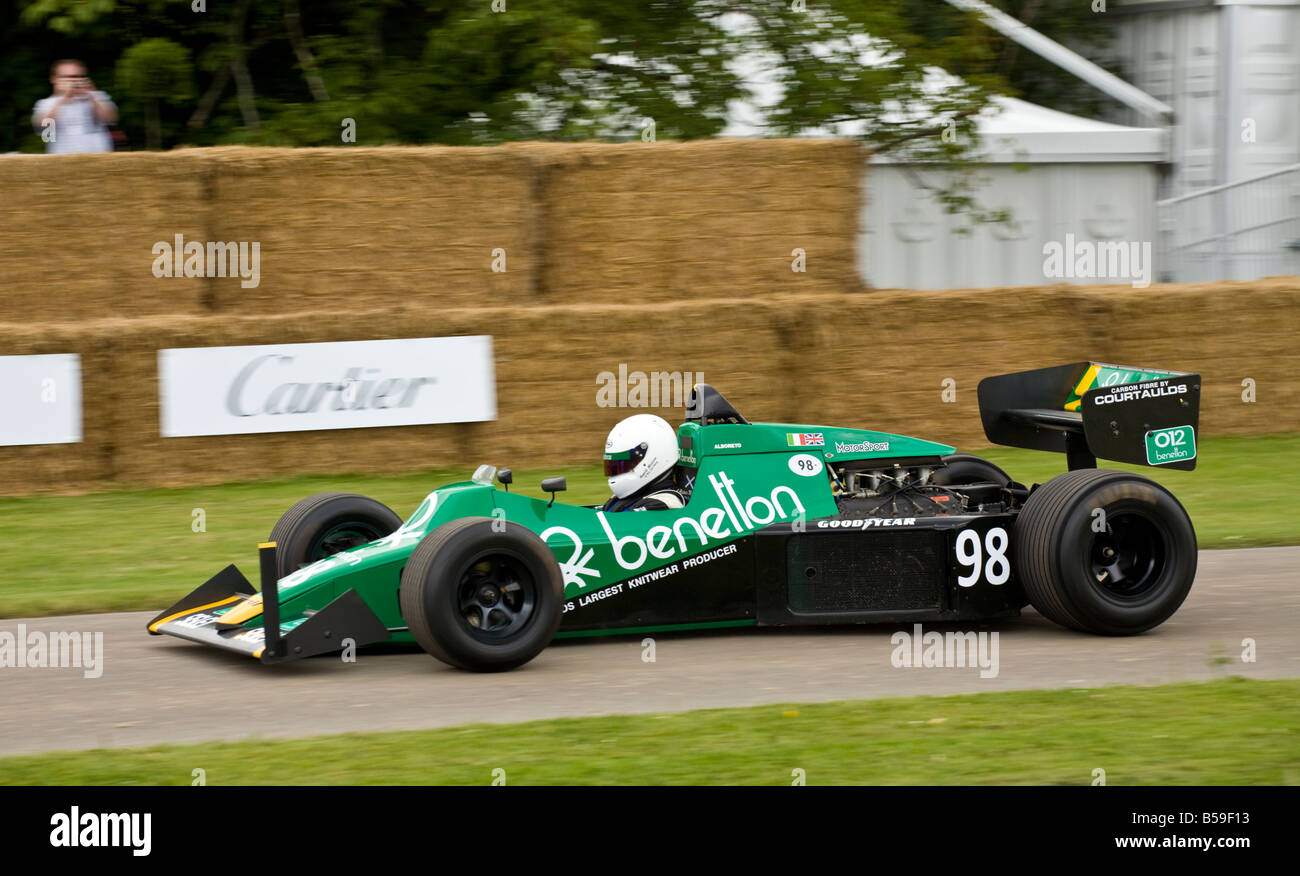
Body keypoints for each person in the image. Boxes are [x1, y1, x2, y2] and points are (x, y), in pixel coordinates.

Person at [600, 413, 687, 511]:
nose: (616, 471)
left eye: (623, 464)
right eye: (613, 466)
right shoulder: (622, 500)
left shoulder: (664, 505)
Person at [32, 59, 117, 154]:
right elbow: (45, 134)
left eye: (79, 76)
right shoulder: (46, 104)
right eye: (69, 77)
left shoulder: (97, 97)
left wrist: (91, 95)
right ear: (54, 79)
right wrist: (63, 101)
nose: (74, 80)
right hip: (63, 160)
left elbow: (111, 119)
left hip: (98, 158)